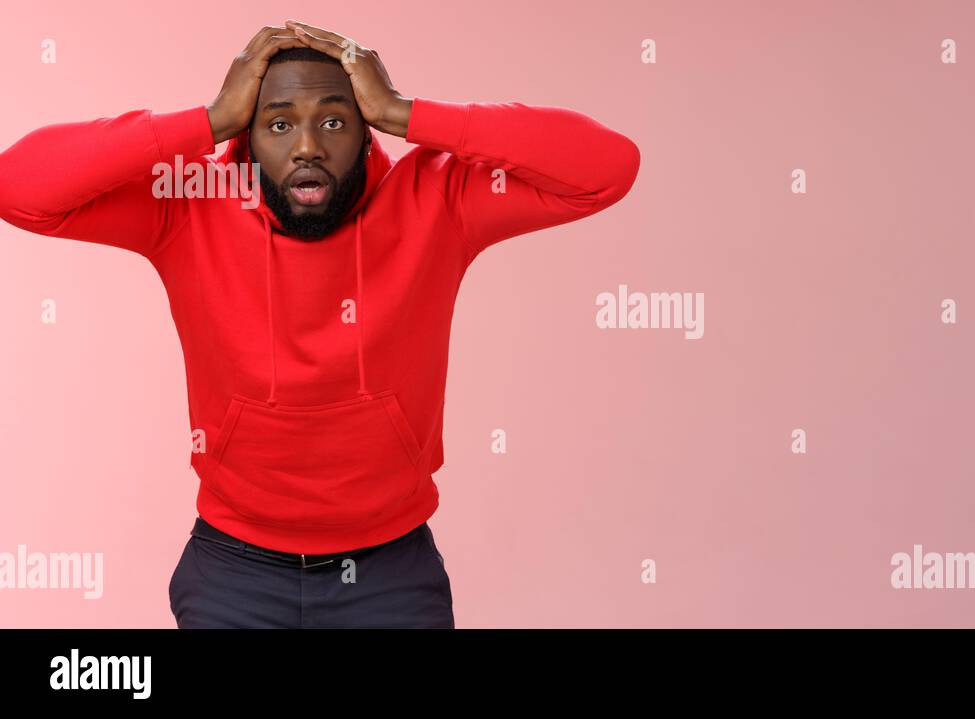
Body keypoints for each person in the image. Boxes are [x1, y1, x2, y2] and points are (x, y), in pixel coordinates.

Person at [0, 21, 640, 628]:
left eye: (335, 120)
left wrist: (407, 113)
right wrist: (210, 118)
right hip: (233, 574)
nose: (307, 146)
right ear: (246, 139)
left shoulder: (439, 202)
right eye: (277, 124)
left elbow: (604, 169)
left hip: (391, 573)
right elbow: (20, 186)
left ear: (366, 134)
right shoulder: (186, 203)